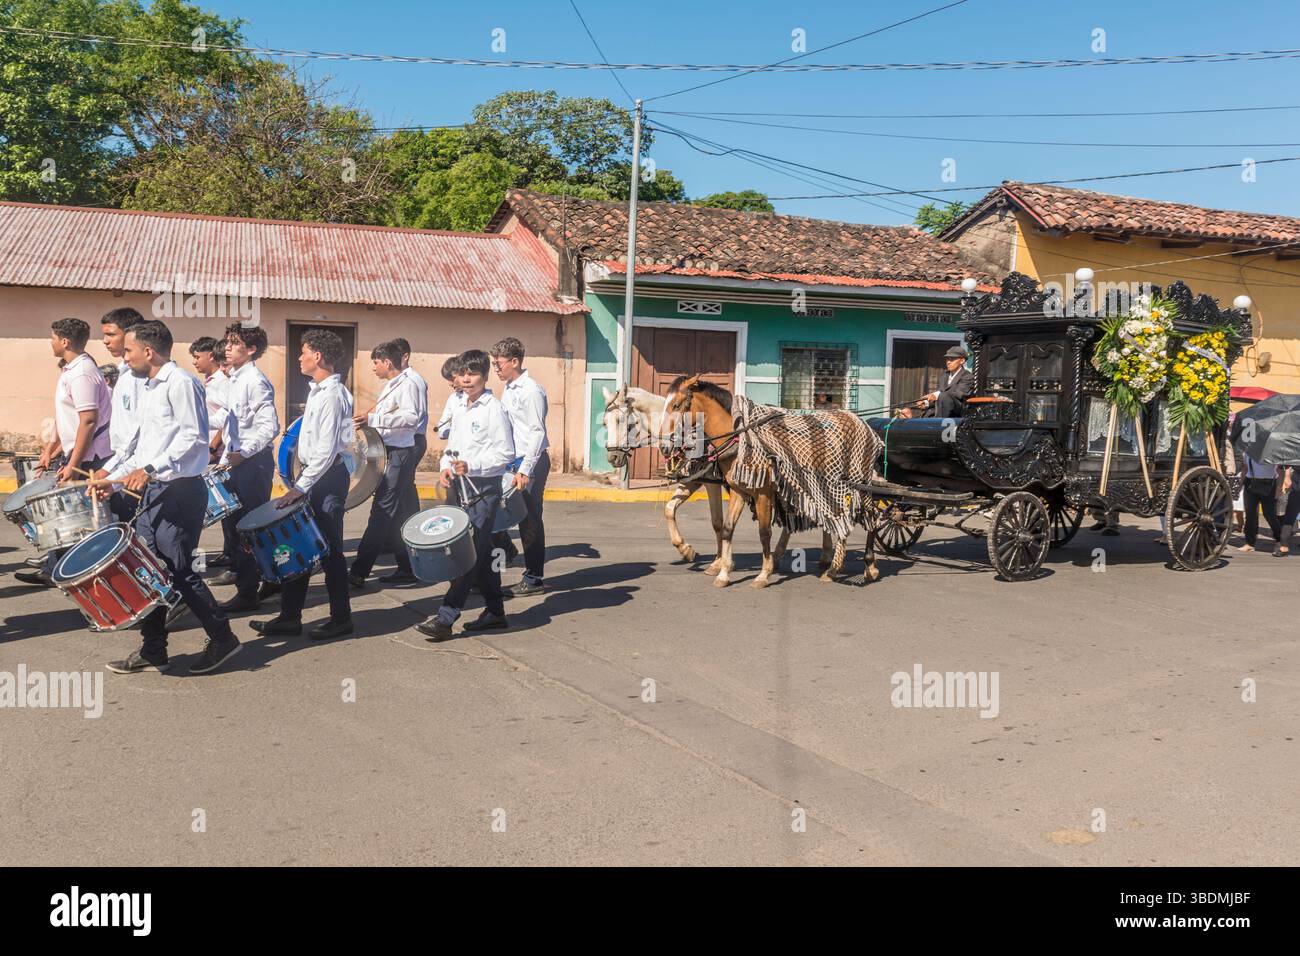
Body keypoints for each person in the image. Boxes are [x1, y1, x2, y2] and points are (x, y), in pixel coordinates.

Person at [89, 320, 242, 675]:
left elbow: (193, 436)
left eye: (128, 350)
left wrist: (151, 469)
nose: (124, 358)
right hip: (155, 490)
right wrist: (109, 477)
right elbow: (138, 447)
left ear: (148, 351)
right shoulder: (151, 387)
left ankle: (223, 637)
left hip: (181, 492)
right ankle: (153, 648)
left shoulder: (182, 383)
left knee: (178, 569)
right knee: (150, 571)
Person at [250, 329, 354, 640]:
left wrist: (300, 487)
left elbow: (327, 450)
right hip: (313, 478)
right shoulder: (319, 391)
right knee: (300, 544)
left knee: (329, 551)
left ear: (318, 356)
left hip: (326, 480)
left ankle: (341, 619)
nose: (299, 357)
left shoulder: (334, 396)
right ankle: (289, 617)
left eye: (304, 351)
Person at [414, 350, 514, 641]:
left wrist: (474, 465)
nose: (466, 380)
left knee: (467, 554)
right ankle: (495, 612)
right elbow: (452, 447)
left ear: (484, 376)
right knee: (480, 554)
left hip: (484, 490)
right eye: (462, 375)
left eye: (473, 374)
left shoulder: (493, 408)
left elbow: (506, 453)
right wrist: (446, 468)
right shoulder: (460, 406)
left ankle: (446, 616)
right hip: (461, 487)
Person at [16, 319, 115, 587]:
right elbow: (66, 417)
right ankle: (58, 568)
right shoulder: (70, 370)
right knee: (71, 518)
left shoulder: (82, 372)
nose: (50, 342)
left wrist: (74, 461)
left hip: (92, 458)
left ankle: (96, 581)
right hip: (79, 455)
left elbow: (88, 420)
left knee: (90, 521)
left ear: (64, 341)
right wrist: (50, 450)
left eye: (52, 337)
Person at [214, 323, 281, 610]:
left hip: (253, 465)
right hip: (236, 463)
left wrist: (243, 453)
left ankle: (248, 592)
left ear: (251, 349)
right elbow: (230, 423)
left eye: (234, 343)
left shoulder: (255, 380)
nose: (227, 347)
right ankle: (263, 581)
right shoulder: (234, 379)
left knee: (247, 528)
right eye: (227, 342)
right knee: (235, 526)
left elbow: (270, 426)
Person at [349, 340, 422, 587]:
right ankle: (408, 567)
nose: (374, 368)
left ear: (387, 362)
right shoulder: (393, 384)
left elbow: (412, 417)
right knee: (402, 513)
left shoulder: (410, 383)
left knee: (381, 511)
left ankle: (359, 571)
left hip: (400, 453)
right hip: (389, 450)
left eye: (376, 363)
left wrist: (374, 417)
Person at [489, 336, 550, 597]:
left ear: (514, 361)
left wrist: (525, 469)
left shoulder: (531, 390)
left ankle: (534, 577)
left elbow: (537, 432)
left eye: (498, 363)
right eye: (493, 363)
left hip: (530, 463)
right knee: (498, 516)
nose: (495, 368)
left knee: (529, 520)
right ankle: (497, 569)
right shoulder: (510, 387)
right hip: (511, 462)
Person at [99, 308, 146, 524]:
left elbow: (139, 433)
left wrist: (113, 473)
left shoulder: (140, 377)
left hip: (136, 469)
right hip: (123, 463)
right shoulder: (124, 372)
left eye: (111, 334)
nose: (105, 341)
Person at [921, 346, 974, 418]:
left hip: (959, 412)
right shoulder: (943, 376)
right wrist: (927, 403)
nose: (948, 362)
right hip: (942, 410)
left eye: (952, 359)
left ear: (962, 361)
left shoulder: (967, 376)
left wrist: (936, 395)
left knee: (944, 396)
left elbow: (959, 394)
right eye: (947, 359)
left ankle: (938, 425)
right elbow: (940, 399)